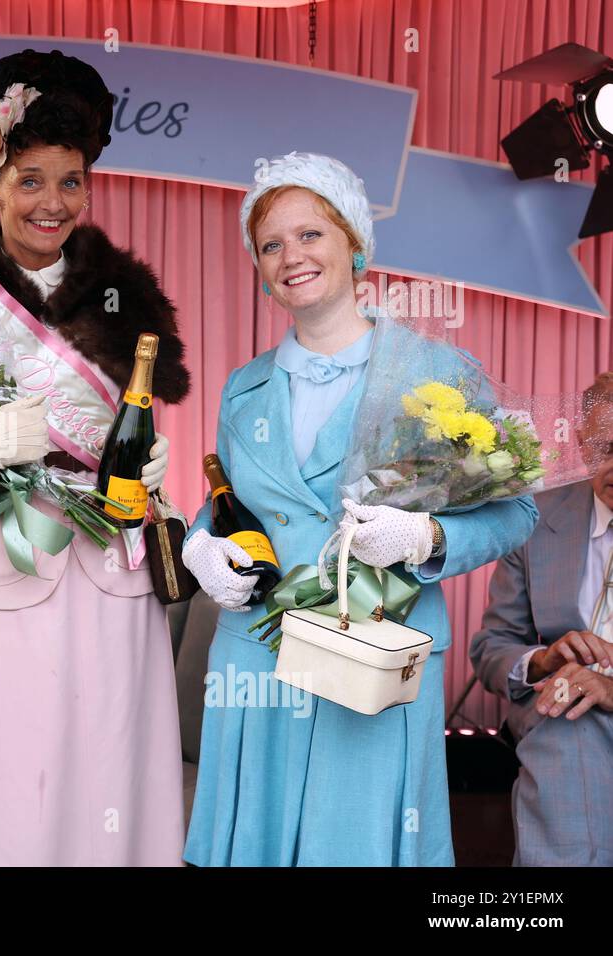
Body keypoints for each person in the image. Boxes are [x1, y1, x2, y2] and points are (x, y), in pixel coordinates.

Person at [181, 151, 539, 866]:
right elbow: (227, 503)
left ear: (353, 242)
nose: (292, 256)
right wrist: (200, 548)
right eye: (272, 244)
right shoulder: (244, 386)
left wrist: (425, 535)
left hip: (375, 656)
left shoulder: (437, 373)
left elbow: (516, 512)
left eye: (311, 234)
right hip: (257, 654)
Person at [0, 50, 190, 866]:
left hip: (114, 578)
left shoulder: (125, 292)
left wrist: (151, 470)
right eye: (29, 179)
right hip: (3, 575)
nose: (51, 203)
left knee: (116, 789)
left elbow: (132, 423)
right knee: (11, 796)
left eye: (70, 181)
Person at [470, 371, 613, 866]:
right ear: (579, 444)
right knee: (563, 722)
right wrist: (542, 660)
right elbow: (492, 648)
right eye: (604, 448)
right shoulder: (534, 518)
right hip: (567, 718)